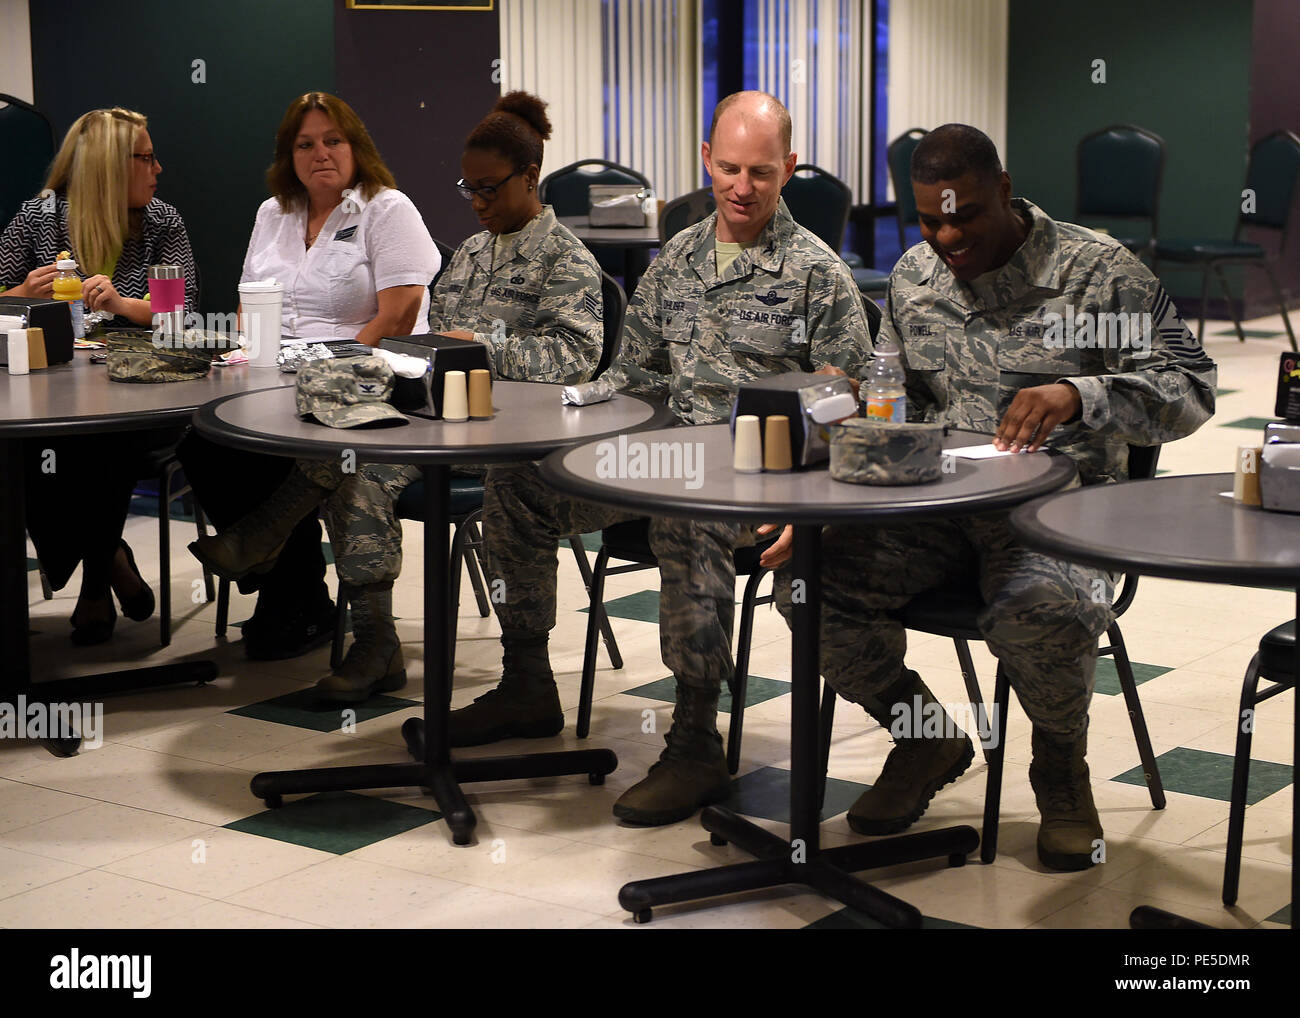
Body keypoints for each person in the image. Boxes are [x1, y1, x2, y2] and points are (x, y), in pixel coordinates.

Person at [770, 124, 1216, 871]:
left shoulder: (1097, 273)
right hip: (936, 513)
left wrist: (1081, 394)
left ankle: (1061, 774)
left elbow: (1192, 387)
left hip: (1058, 519)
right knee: (808, 586)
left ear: (1004, 191)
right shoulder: (913, 276)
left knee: (1037, 609)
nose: (946, 236)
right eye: (930, 219)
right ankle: (924, 739)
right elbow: (900, 394)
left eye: (965, 215)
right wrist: (855, 405)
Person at [460, 91, 873, 827]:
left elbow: (853, 411)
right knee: (519, 483)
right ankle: (526, 679)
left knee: (689, 517)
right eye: (730, 168)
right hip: (660, 464)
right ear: (706, 160)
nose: (742, 187)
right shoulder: (674, 259)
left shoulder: (818, 277)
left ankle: (693, 738)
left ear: (790, 170)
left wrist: (823, 513)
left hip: (757, 488)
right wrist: (570, 418)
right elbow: (629, 377)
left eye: (763, 172)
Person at [188, 91, 603, 700]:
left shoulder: (567, 260)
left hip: (511, 432)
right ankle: (374, 642)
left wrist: (479, 343)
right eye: (469, 189)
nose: (478, 203)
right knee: (355, 456)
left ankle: (274, 540)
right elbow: (429, 342)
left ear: (530, 177)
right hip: (440, 417)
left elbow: (573, 360)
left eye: (490, 188)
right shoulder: (468, 256)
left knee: (358, 462)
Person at [177, 92, 440, 661]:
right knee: (205, 443)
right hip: (275, 371)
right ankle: (291, 591)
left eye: (332, 140)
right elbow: (249, 301)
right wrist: (252, 356)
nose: (320, 153)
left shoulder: (386, 208)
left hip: (363, 379)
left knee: (284, 449)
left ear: (356, 147)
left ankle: (286, 593)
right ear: (288, 155)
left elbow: (397, 314)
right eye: (305, 144)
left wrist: (332, 368)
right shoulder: (272, 213)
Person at [0, 107, 197, 643]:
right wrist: (18, 296)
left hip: (138, 392)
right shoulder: (38, 218)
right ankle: (108, 554)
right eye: (146, 158)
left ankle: (93, 584)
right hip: (49, 390)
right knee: (27, 450)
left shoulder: (162, 221)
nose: (158, 168)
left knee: (100, 444)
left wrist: (126, 304)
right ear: (110, 166)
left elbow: (182, 314)